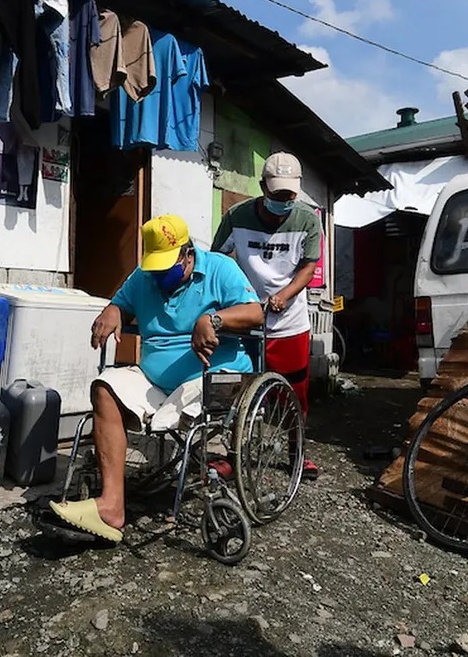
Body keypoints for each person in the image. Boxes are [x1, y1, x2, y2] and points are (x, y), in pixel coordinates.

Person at [47, 214, 263, 543]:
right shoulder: (144, 275)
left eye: (167, 267)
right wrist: (113, 310)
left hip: (211, 376)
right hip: (156, 381)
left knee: (186, 401)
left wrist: (213, 319)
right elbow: (121, 303)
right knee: (105, 389)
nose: (160, 275)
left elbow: (255, 312)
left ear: (188, 254)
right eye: (155, 268)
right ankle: (111, 506)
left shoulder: (221, 269)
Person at [212, 152, 323, 480]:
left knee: (294, 395)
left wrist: (284, 296)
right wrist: (235, 297)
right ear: (263, 187)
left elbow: (308, 267)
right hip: (245, 321)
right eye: (277, 195)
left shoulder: (308, 220)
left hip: (289, 324)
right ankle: (232, 455)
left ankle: (297, 454)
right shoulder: (237, 217)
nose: (283, 202)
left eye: (289, 195)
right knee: (238, 390)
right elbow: (219, 259)